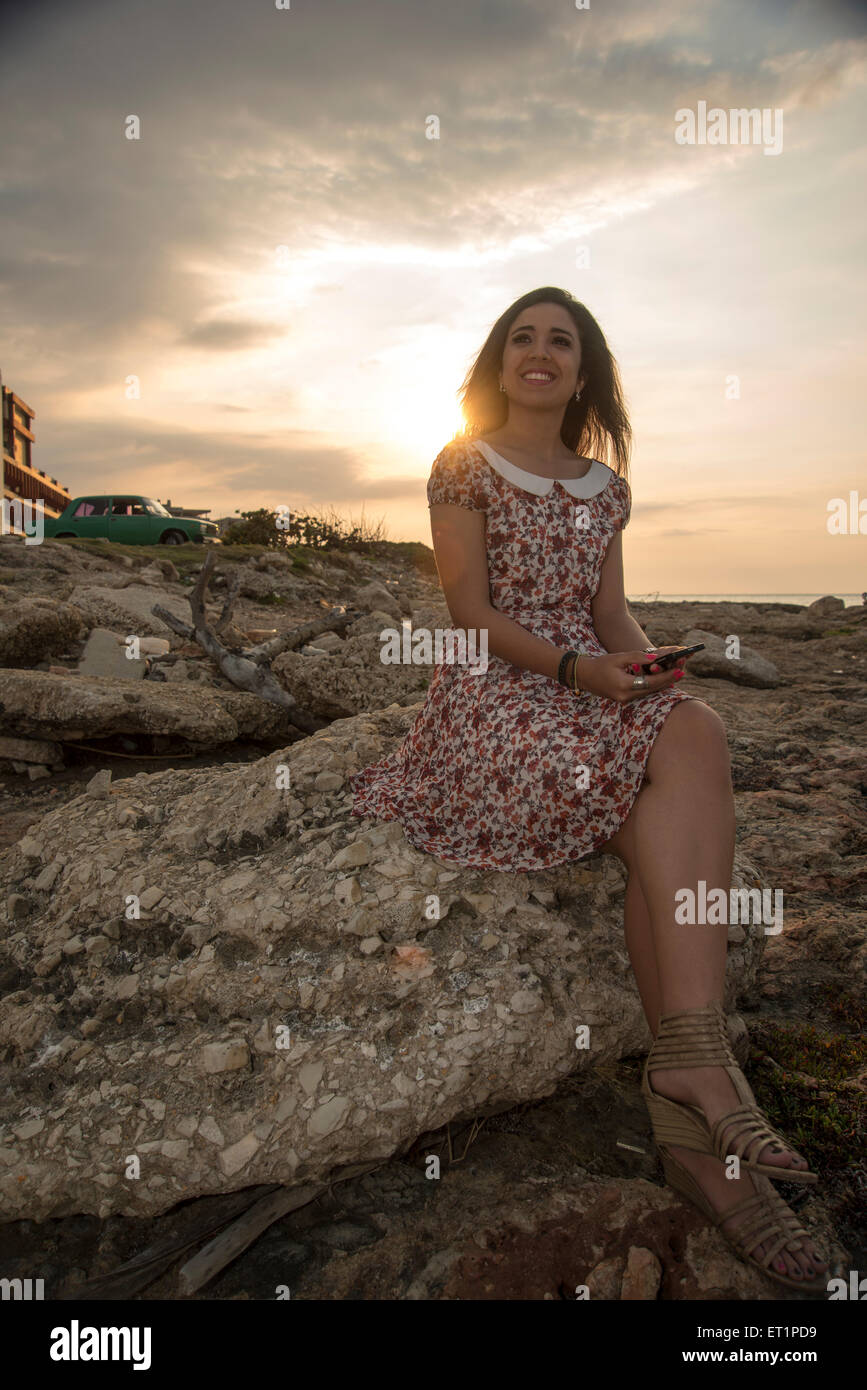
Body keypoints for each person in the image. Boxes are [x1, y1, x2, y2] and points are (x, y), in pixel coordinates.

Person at [349, 287, 827, 1292]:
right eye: (521, 337)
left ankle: (688, 1084)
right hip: (494, 703)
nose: (538, 352)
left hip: (581, 689)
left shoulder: (606, 487)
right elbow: (469, 611)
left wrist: (649, 674)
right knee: (664, 778)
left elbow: (613, 614)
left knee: (692, 731)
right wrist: (577, 674)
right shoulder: (462, 464)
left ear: (583, 369)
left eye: (559, 341)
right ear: (499, 360)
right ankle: (699, 1113)